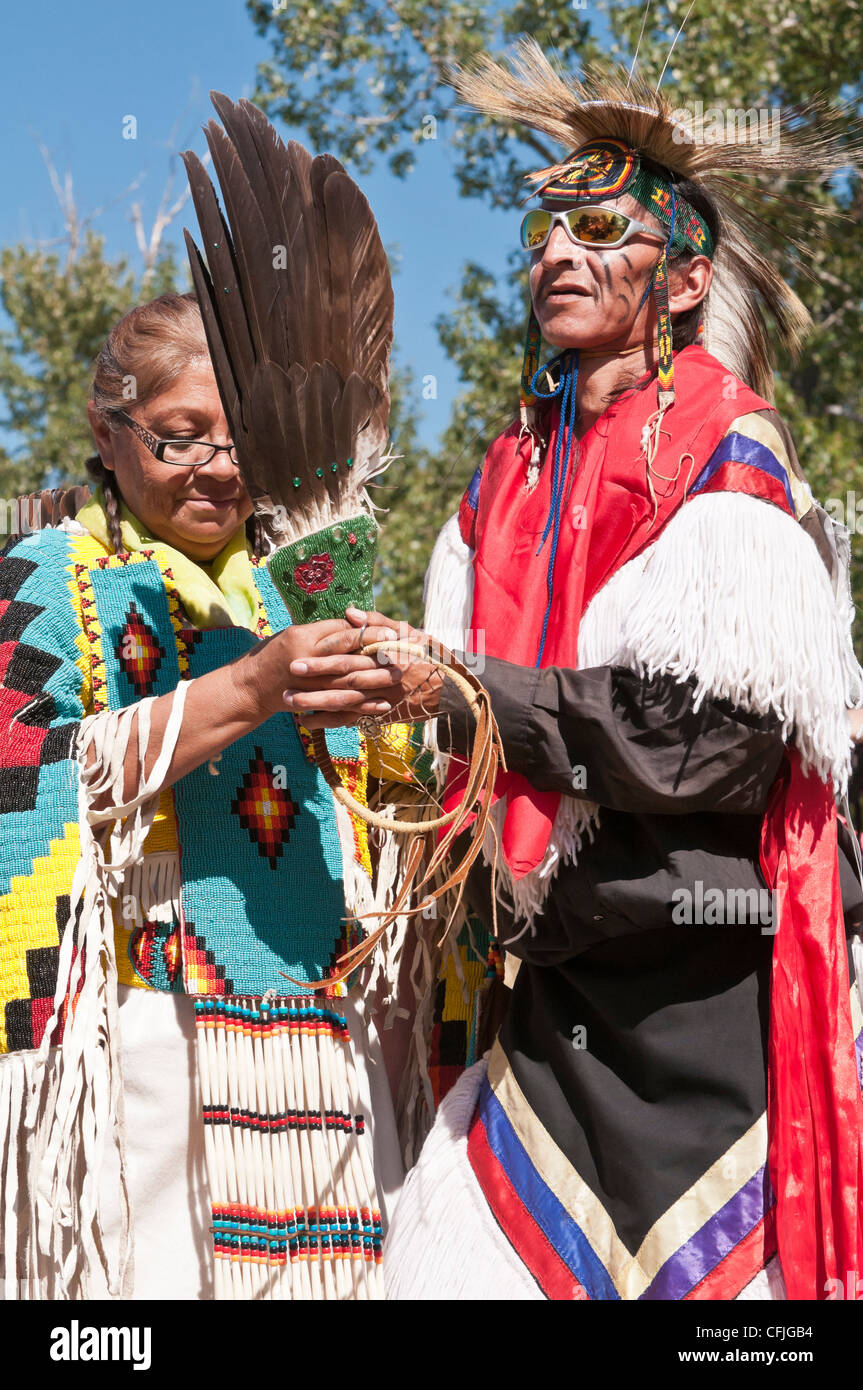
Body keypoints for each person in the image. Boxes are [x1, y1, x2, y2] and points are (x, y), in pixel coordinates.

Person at [306, 42, 863, 1299]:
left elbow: (710, 743)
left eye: (601, 230)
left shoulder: (727, 450)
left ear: (683, 281)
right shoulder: (509, 474)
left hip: (709, 1007)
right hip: (547, 1006)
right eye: (542, 231)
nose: (554, 255)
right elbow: (459, 742)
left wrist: (463, 689)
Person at [0, 291, 408, 1300]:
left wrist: (416, 702)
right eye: (180, 438)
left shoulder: (296, 586)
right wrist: (255, 685)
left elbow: (391, 808)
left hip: (321, 1038)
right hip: (132, 1047)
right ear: (108, 431)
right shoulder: (46, 576)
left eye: (239, 442)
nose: (219, 468)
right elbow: (34, 776)